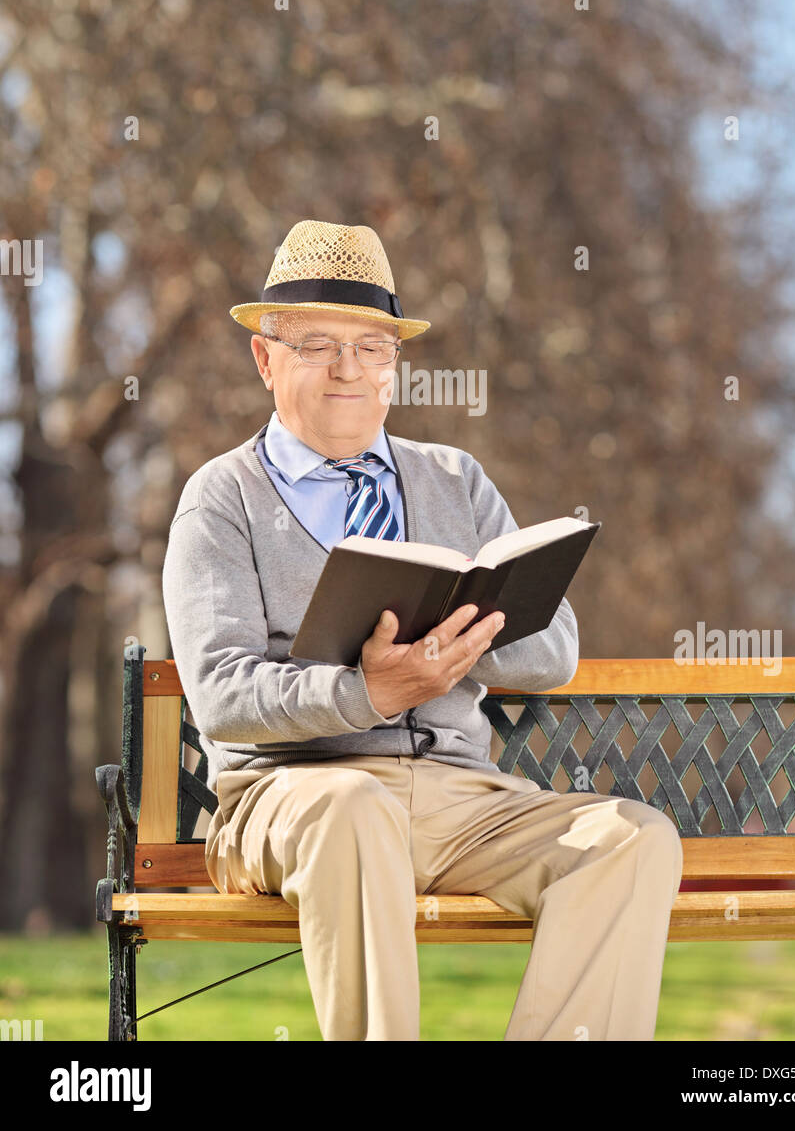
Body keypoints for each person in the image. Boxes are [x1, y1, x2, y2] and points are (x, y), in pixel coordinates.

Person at [161, 218, 683, 1041]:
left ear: (394, 366)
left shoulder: (457, 480)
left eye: (371, 348)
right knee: (354, 806)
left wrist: (461, 629)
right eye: (316, 345)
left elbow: (557, 654)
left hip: (459, 799)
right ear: (265, 358)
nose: (347, 370)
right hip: (291, 802)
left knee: (630, 839)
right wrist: (366, 691)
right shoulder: (222, 499)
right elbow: (224, 696)